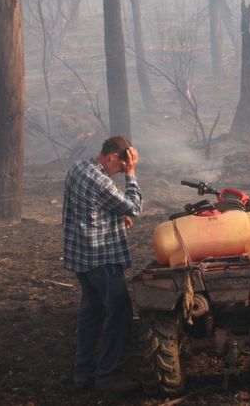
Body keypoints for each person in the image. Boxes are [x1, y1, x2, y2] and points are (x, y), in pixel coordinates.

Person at [62, 136, 143, 392]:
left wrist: (114, 217)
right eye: (120, 166)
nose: (120, 172)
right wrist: (132, 174)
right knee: (119, 313)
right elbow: (134, 207)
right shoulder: (101, 182)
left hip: (80, 257)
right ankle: (107, 376)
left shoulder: (78, 167)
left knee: (91, 313)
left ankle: (82, 373)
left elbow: (86, 207)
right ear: (111, 157)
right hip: (102, 257)